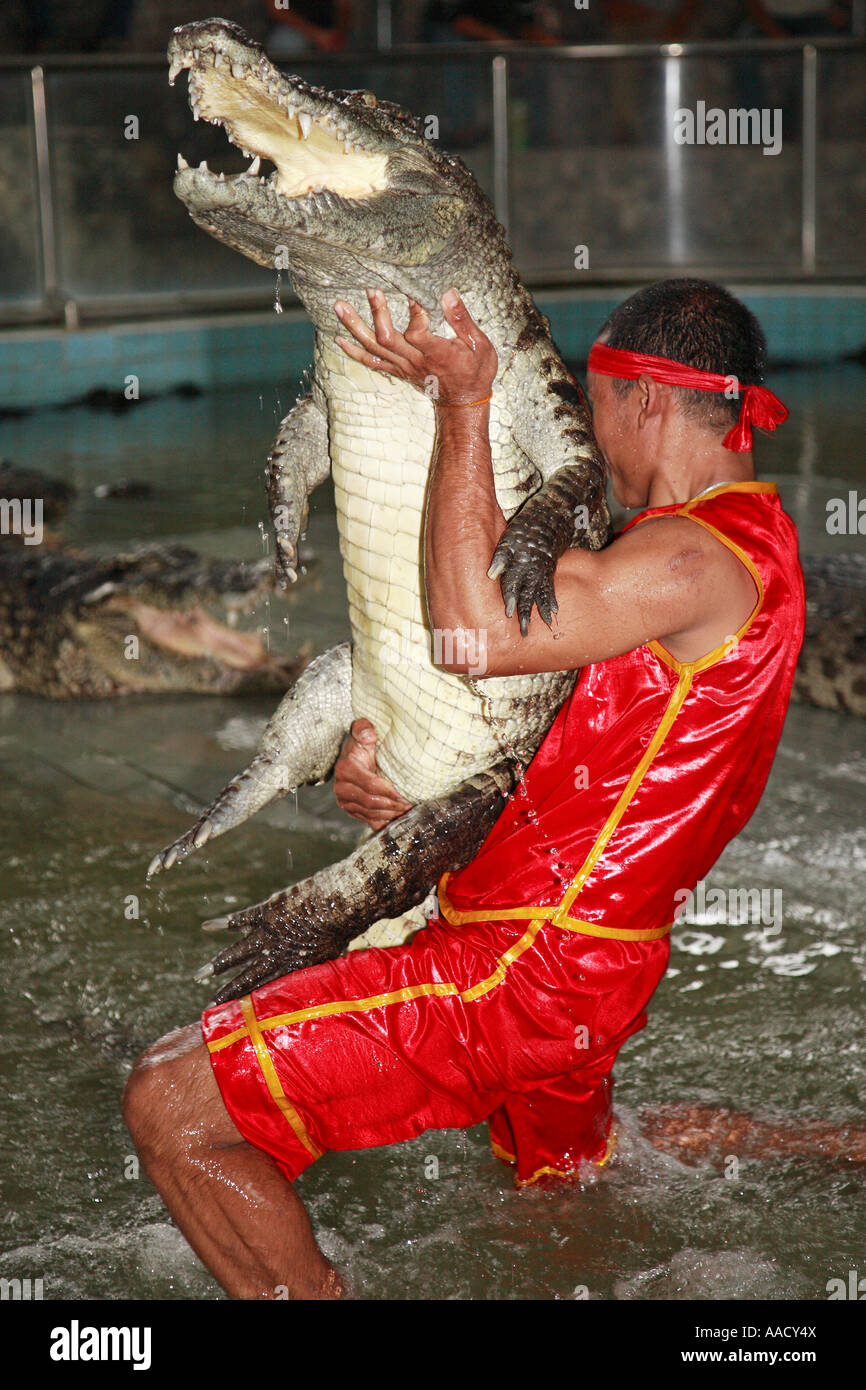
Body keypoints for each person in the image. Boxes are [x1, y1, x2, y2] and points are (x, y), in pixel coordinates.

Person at [123, 277, 806, 1300]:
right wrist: (413, 807)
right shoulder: (731, 547)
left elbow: (471, 633)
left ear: (645, 403)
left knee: (169, 1101)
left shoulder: (687, 559)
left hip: (524, 973)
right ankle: (826, 1144)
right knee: (562, 1194)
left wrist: (464, 402)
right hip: (584, 964)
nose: (582, 418)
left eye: (591, 393)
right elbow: (606, 771)